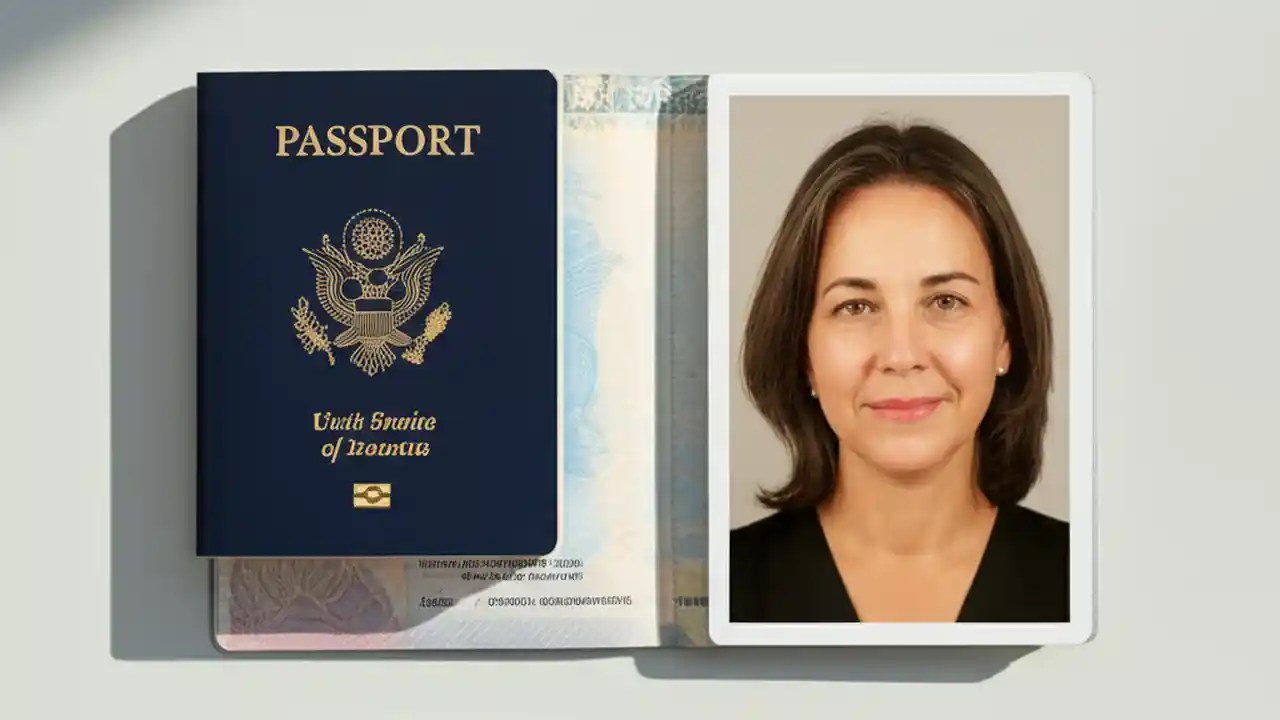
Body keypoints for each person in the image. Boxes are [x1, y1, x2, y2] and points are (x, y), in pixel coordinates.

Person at [729, 122, 1068, 623]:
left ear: (1005, 338)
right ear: (804, 353)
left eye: (946, 301)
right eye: (856, 307)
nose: (901, 354)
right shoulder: (714, 589)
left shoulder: (1098, 581)